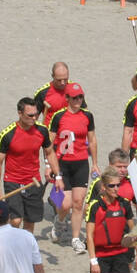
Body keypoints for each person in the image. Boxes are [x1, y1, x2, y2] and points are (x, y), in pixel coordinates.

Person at [78, 163, 134, 273]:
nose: (116, 189)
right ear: (103, 187)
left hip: (120, 254)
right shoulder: (95, 206)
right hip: (101, 256)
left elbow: (134, 232)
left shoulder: (125, 205)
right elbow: (90, 235)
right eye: (112, 185)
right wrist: (93, 261)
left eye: (118, 185)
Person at [0, 96, 61, 233]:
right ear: (20, 113)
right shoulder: (8, 134)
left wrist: (58, 177)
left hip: (34, 181)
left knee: (30, 222)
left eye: (36, 114)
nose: (34, 118)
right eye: (30, 115)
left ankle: (23, 250)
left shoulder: (41, 131)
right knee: (16, 220)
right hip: (12, 181)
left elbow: (50, 153)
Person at [50, 83, 97, 248]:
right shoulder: (58, 117)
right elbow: (49, 144)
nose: (78, 100)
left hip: (81, 163)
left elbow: (92, 140)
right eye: (74, 97)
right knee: (64, 204)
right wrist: (48, 165)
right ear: (67, 98)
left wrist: (95, 164)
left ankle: (75, 238)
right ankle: (60, 220)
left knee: (78, 202)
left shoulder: (87, 116)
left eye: (80, 97)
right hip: (62, 164)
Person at [34, 62, 72, 127]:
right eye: (59, 80)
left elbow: (85, 114)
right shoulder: (42, 93)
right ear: (52, 76)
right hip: (51, 134)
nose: (63, 83)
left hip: (71, 132)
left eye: (65, 79)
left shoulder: (74, 89)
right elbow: (33, 118)